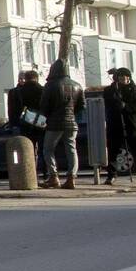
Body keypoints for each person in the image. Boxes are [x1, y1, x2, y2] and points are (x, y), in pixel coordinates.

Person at [38, 59, 85, 189]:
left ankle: (53, 177)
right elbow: (82, 106)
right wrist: (72, 113)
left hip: (55, 123)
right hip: (71, 122)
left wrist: (46, 117)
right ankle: (71, 178)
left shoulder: (51, 85)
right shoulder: (77, 85)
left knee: (48, 149)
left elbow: (44, 106)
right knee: (71, 149)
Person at [104, 67, 136, 187]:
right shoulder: (112, 89)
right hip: (116, 124)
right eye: (120, 77)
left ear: (129, 78)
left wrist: (126, 107)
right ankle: (111, 175)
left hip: (132, 124)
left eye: (125, 77)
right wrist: (115, 92)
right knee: (113, 151)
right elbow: (107, 101)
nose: (123, 79)